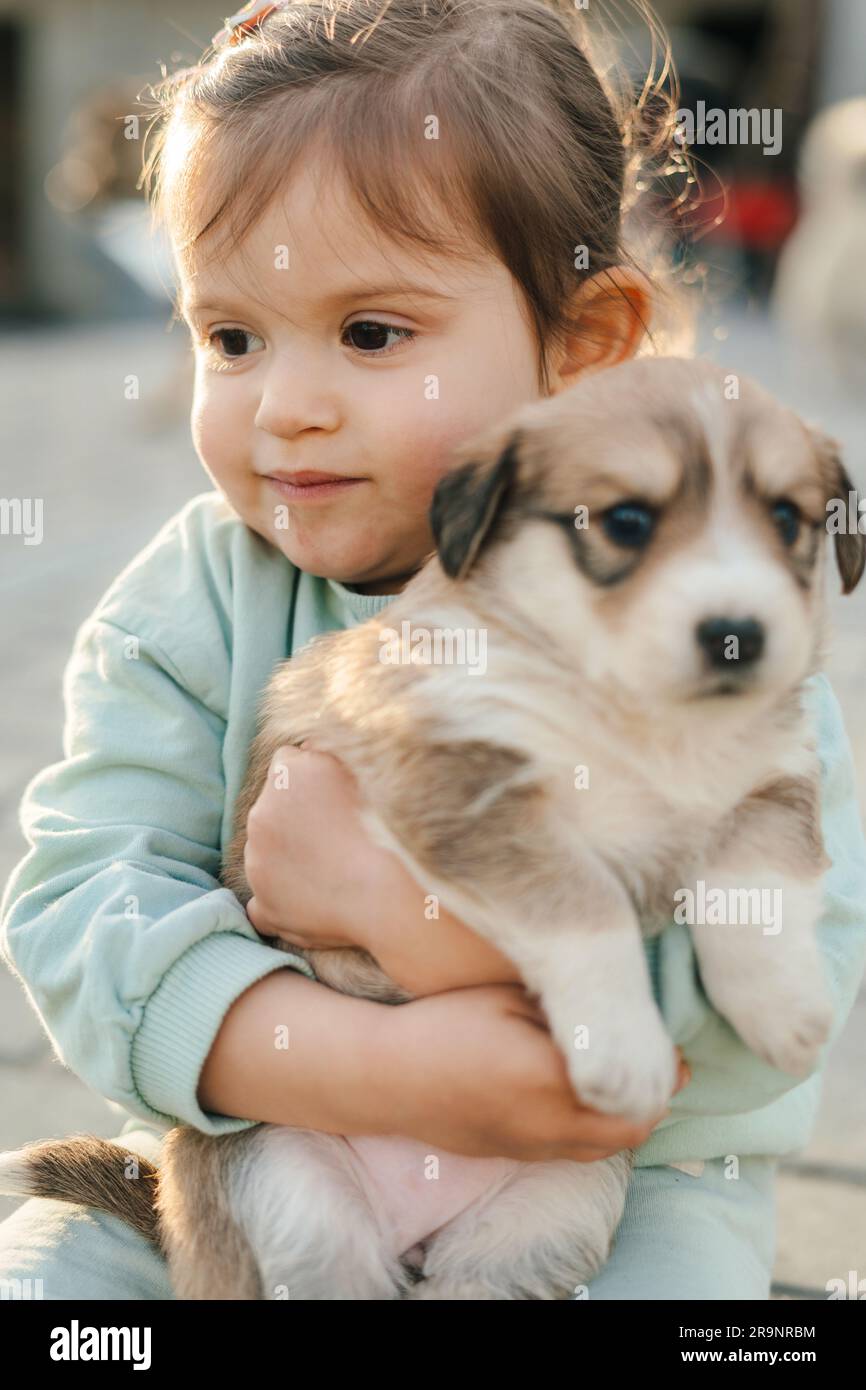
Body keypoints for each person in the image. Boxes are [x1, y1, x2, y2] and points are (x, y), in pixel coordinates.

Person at [1, 0, 864, 1300]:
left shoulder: (716, 632)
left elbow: (787, 996)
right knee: (55, 1285)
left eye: (370, 334)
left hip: (639, 1171)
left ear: (582, 346)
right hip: (270, 1144)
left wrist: (406, 925)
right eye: (229, 337)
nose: (285, 403)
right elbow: (81, 902)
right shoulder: (192, 596)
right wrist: (355, 1064)